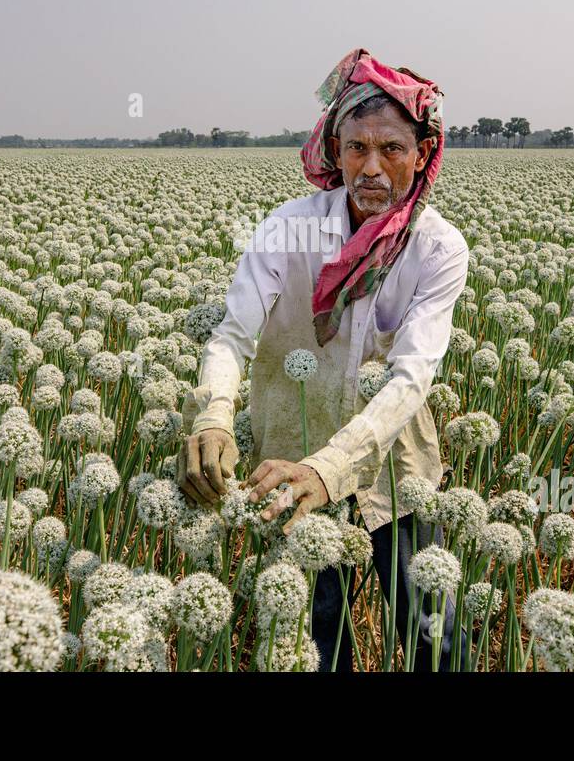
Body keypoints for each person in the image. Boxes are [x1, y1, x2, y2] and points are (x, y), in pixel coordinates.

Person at [181, 47, 470, 670]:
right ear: (334, 153)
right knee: (313, 634)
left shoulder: (438, 247)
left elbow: (411, 375)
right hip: (290, 456)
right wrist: (211, 415)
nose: (371, 167)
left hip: (392, 468)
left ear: (421, 155)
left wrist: (333, 466)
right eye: (355, 148)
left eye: (391, 149)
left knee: (435, 635)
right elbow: (233, 334)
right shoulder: (288, 228)